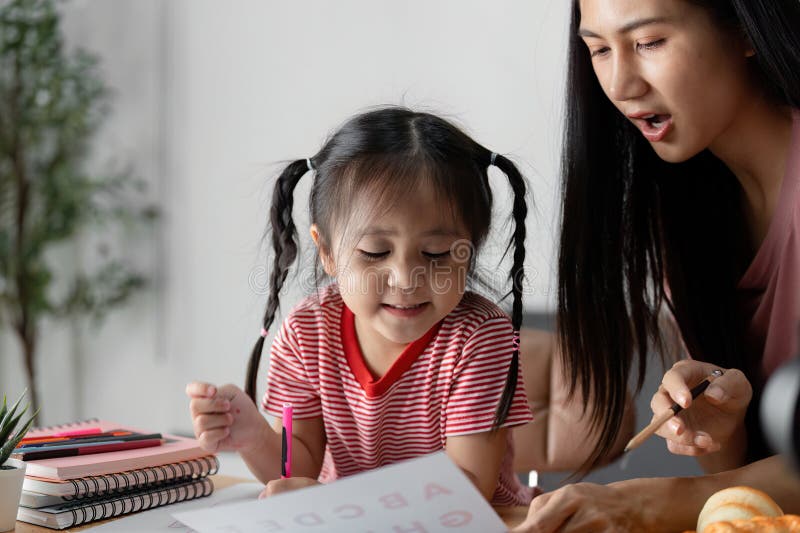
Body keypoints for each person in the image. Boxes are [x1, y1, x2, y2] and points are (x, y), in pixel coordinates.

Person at [514, 0, 800, 530]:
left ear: (744, 30)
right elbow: (743, 492)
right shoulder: (688, 214)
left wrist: (646, 500)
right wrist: (719, 426)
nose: (620, 84)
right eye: (598, 50)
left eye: (648, 42)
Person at [186, 107, 539, 506]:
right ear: (327, 251)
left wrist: (338, 504)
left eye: (437, 253)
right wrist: (254, 437)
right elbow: (295, 471)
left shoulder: (480, 336)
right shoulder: (307, 332)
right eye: (375, 252)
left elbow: (469, 486)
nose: (406, 278)